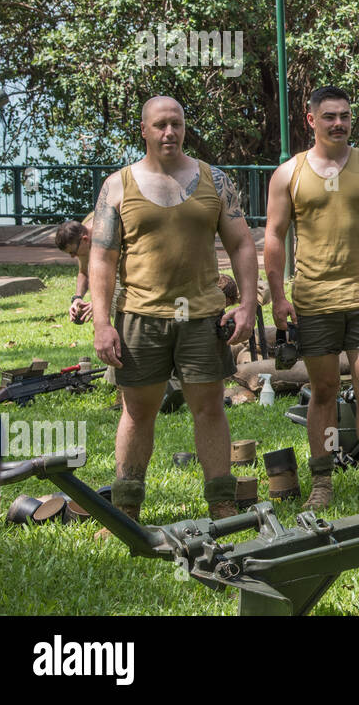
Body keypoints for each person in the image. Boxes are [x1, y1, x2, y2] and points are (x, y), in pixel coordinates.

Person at [89, 96, 258, 525]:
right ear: (143, 130)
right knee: (137, 411)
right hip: (140, 317)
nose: (170, 133)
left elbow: (240, 243)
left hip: (201, 316)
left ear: (184, 128)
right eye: (160, 125)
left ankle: (221, 503)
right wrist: (102, 322)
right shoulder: (118, 185)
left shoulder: (214, 180)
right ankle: (127, 508)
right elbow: (102, 257)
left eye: (177, 124)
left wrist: (248, 305)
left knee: (210, 407)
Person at [264, 86, 359, 509]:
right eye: (329, 116)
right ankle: (322, 482)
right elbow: (273, 236)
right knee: (323, 392)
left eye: (344, 115)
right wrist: (277, 296)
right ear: (311, 121)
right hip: (313, 300)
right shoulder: (288, 174)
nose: (338, 123)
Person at [55, 217, 95, 324]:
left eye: (73, 252)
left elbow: (112, 272)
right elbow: (84, 272)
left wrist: (97, 301)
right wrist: (77, 298)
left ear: (85, 239)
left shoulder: (104, 235)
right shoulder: (81, 237)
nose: (73, 257)